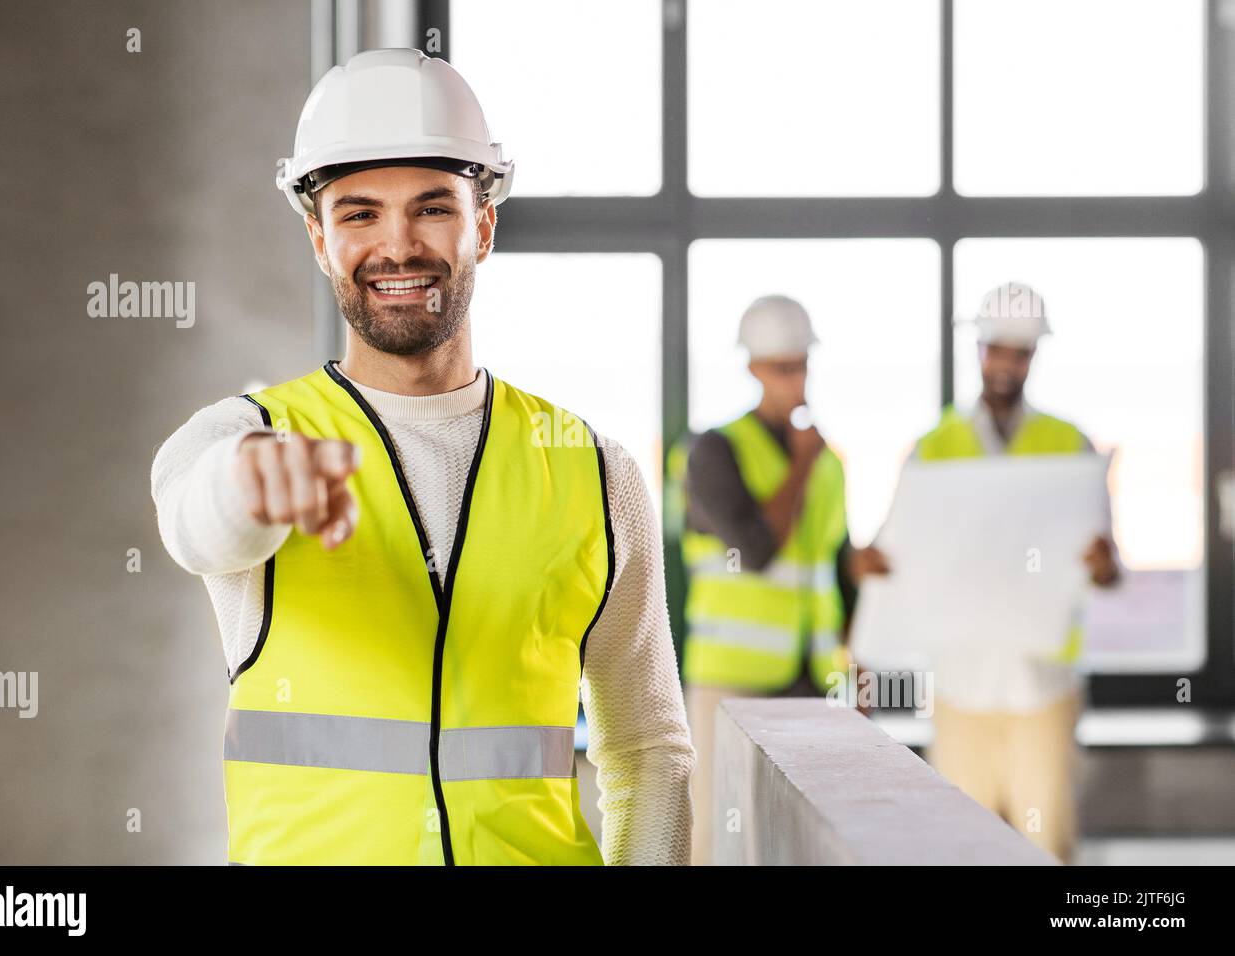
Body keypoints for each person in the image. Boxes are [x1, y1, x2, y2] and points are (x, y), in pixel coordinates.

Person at [150, 48, 694, 865]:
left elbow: (647, 749)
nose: (397, 246)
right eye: (360, 213)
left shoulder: (596, 471)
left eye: (431, 208)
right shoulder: (240, 437)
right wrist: (249, 487)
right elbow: (196, 524)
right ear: (318, 237)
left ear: (483, 223)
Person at [852, 281, 1120, 863]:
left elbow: (1108, 569)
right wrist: (865, 568)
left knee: (1046, 849)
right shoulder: (935, 449)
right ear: (980, 350)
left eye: (1020, 353)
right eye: (997, 349)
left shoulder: (1067, 445)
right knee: (965, 852)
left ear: (1033, 359)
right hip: (960, 686)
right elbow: (890, 557)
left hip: (1043, 684)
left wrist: (1104, 566)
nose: (1006, 364)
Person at [668, 294, 870, 865]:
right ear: (753, 369)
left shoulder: (827, 463)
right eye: (783, 368)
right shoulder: (711, 452)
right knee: (722, 842)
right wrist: (802, 464)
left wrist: (856, 665)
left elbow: (834, 571)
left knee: (798, 848)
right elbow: (755, 551)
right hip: (733, 684)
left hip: (811, 684)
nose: (796, 380)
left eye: (801, 365)